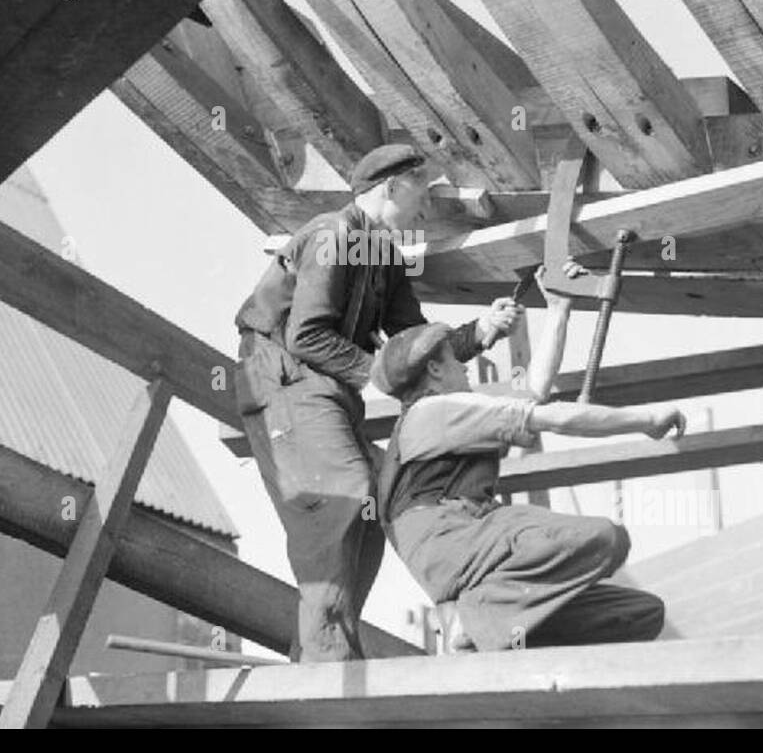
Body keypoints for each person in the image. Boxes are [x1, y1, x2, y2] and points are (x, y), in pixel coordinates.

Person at [234, 144, 522, 662]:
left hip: (328, 392)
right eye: (422, 194)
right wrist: (380, 373)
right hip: (285, 385)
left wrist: (478, 332)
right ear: (391, 188)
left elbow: (415, 345)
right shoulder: (334, 235)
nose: (427, 211)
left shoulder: (384, 254)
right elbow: (307, 336)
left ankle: (320, 657)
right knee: (343, 500)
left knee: (374, 506)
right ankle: (328, 666)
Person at [371, 262, 687, 653]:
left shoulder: (451, 413)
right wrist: (646, 419)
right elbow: (552, 417)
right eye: (455, 359)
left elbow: (535, 391)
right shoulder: (433, 413)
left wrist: (558, 310)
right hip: (450, 538)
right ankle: (471, 622)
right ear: (434, 369)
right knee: (603, 539)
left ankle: (503, 635)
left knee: (638, 612)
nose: (463, 365)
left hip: (468, 541)